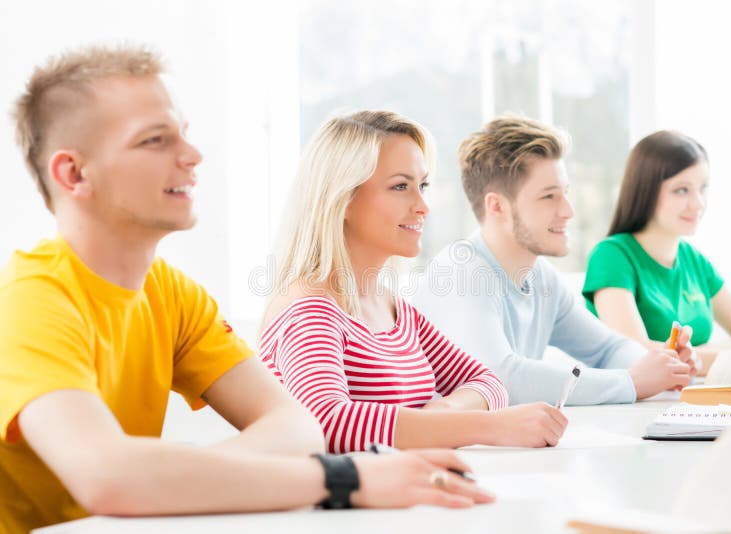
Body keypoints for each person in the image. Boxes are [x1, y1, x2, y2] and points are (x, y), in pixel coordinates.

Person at [0, 45, 492, 534]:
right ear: (74, 174)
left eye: (184, 135)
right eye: (155, 140)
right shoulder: (30, 300)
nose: (193, 157)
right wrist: (345, 478)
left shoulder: (172, 294)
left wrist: (163, 480)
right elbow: (108, 479)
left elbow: (298, 427)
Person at [259, 110, 568, 454]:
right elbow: (327, 423)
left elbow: (488, 382)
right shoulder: (310, 311)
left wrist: (445, 412)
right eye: (401, 186)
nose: (423, 206)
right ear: (342, 199)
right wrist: (490, 427)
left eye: (422, 186)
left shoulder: (395, 310)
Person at [413, 116, 695, 406]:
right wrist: (633, 381)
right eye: (549, 197)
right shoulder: (460, 272)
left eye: (565, 193)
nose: (568, 211)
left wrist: (661, 366)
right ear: (496, 205)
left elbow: (607, 349)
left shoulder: (541, 277)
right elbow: (500, 377)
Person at [582, 130, 731, 373]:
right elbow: (635, 355)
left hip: (691, 399)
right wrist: (709, 360)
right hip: (637, 405)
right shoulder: (612, 256)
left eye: (702, 188)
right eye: (682, 190)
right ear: (646, 191)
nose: (698, 203)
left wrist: (696, 358)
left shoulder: (693, 260)